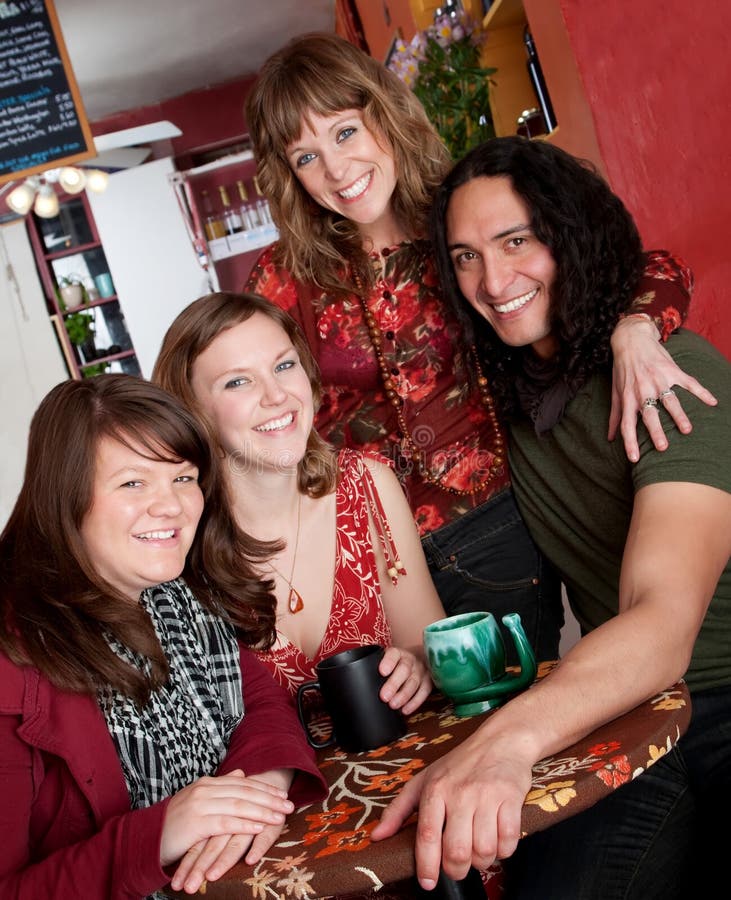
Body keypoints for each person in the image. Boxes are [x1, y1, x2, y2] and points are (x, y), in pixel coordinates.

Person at [243, 31, 708, 667]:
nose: (337, 170)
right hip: (359, 549)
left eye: (345, 132)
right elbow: (249, 394)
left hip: (489, 528)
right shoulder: (284, 275)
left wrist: (635, 328)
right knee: (396, 720)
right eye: (306, 157)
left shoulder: (464, 214)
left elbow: (639, 266)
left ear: (384, 114)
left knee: (501, 706)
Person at [372, 136, 731, 898]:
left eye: (516, 241)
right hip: (630, 710)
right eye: (465, 256)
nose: (492, 279)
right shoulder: (503, 400)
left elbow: (661, 617)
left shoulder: (670, 375)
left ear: (570, 236)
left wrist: (505, 744)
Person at [0, 375, 326, 900]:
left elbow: (260, 702)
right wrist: (161, 832)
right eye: (133, 483)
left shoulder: (176, 595)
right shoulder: (12, 663)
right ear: (65, 496)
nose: (171, 506)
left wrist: (259, 788)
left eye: (183, 477)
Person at [153, 291, 445, 713]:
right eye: (238, 381)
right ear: (191, 410)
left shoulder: (367, 486)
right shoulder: (176, 541)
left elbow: (429, 645)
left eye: (284, 366)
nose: (276, 396)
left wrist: (417, 665)